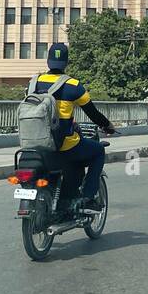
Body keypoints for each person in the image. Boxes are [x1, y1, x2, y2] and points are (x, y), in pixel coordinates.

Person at [29, 42, 115, 210]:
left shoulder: (33, 84)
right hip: (64, 146)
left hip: (36, 145)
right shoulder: (73, 86)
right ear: (67, 63)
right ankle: (89, 197)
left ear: (48, 61)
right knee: (98, 151)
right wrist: (108, 125)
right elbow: (93, 113)